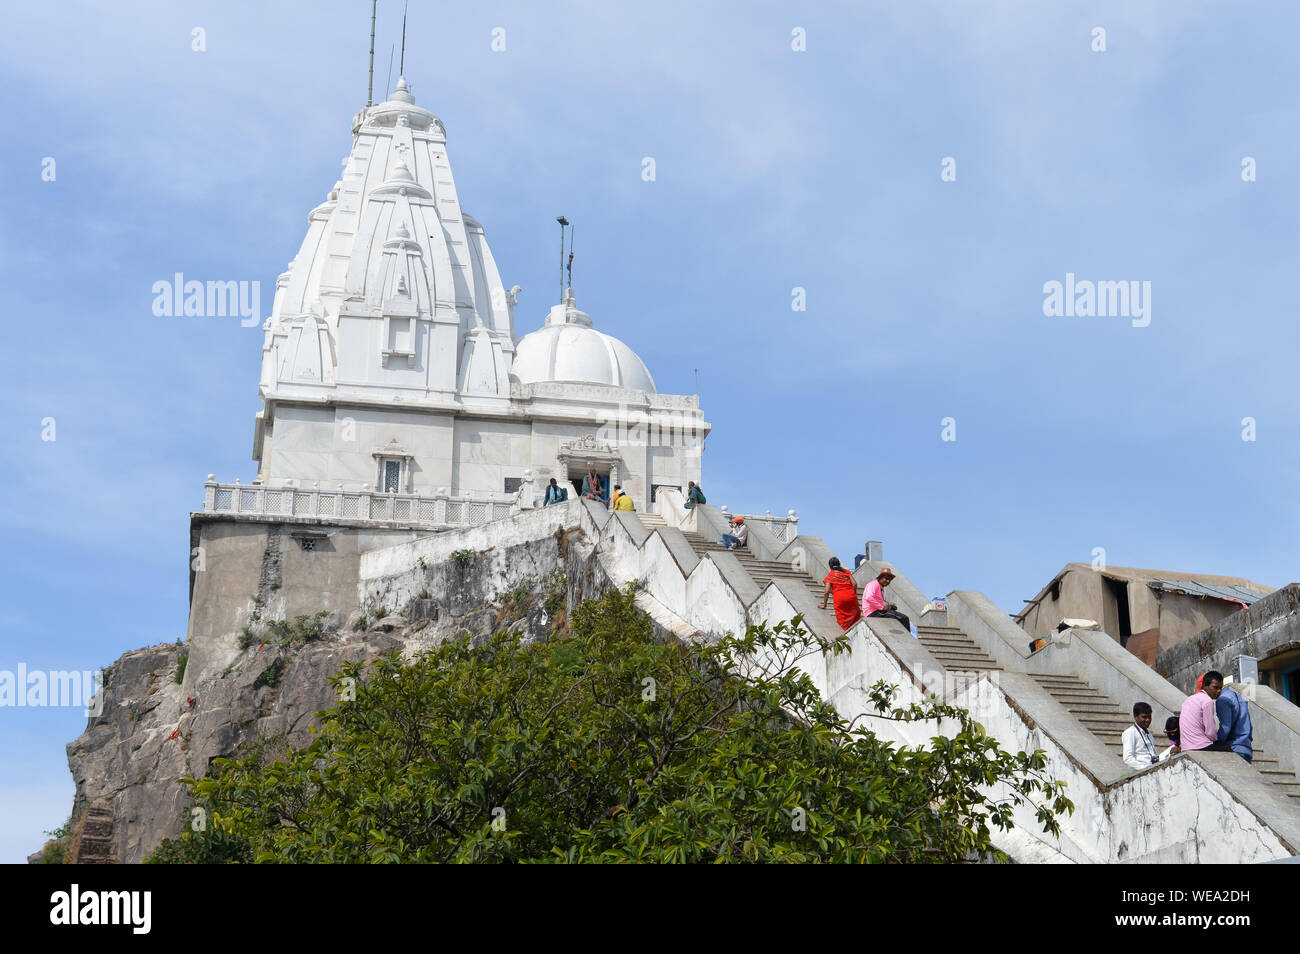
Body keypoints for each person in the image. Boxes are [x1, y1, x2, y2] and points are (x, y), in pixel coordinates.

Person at [1178, 671, 1232, 754]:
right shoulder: (1207, 701)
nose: (1218, 691)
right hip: (1200, 745)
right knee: (1231, 750)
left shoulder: (1189, 699)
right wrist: (1216, 739)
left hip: (1185, 746)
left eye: (1220, 688)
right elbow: (1210, 732)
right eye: (1215, 687)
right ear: (1205, 686)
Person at [862, 567, 911, 634]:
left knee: (895, 615)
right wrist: (882, 607)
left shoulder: (879, 587)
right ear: (880, 577)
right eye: (886, 578)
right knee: (904, 618)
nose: (888, 581)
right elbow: (869, 597)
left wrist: (888, 607)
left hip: (876, 611)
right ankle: (907, 639)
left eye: (889, 580)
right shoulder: (874, 584)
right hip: (873, 613)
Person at [820, 557, 862, 631]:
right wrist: (853, 594)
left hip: (839, 598)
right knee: (855, 616)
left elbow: (826, 591)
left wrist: (824, 605)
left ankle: (844, 635)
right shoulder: (846, 572)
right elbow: (854, 584)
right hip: (851, 596)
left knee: (842, 620)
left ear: (830, 566)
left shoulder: (830, 576)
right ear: (839, 564)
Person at [1216, 682, 1254, 763]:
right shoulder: (1240, 697)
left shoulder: (1223, 699)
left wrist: (1216, 742)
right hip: (1246, 748)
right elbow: (1248, 725)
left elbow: (1225, 727)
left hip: (1234, 748)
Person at [1121, 702, 1159, 771]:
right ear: (1135, 716)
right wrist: (1145, 769)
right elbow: (1128, 759)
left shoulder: (1149, 735)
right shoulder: (1130, 732)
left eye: (1149, 717)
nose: (1148, 720)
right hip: (1142, 775)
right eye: (1144, 717)